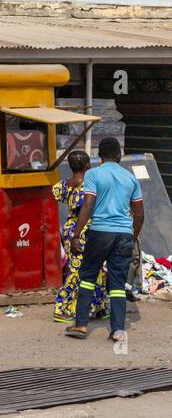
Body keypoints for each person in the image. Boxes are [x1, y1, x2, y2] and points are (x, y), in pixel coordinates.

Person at [66, 137, 142, 345]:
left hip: (100, 232)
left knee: (88, 276)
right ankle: (118, 330)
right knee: (118, 283)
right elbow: (140, 213)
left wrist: (76, 234)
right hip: (124, 234)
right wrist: (131, 236)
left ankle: (81, 324)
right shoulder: (130, 178)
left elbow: (88, 205)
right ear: (119, 156)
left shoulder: (93, 174)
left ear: (100, 156)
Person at [53, 151, 106, 324]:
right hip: (83, 229)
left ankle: (98, 306)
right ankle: (61, 307)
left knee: (92, 267)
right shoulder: (88, 186)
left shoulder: (63, 185)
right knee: (78, 270)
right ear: (87, 165)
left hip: (70, 227)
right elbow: (87, 207)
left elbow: (56, 194)